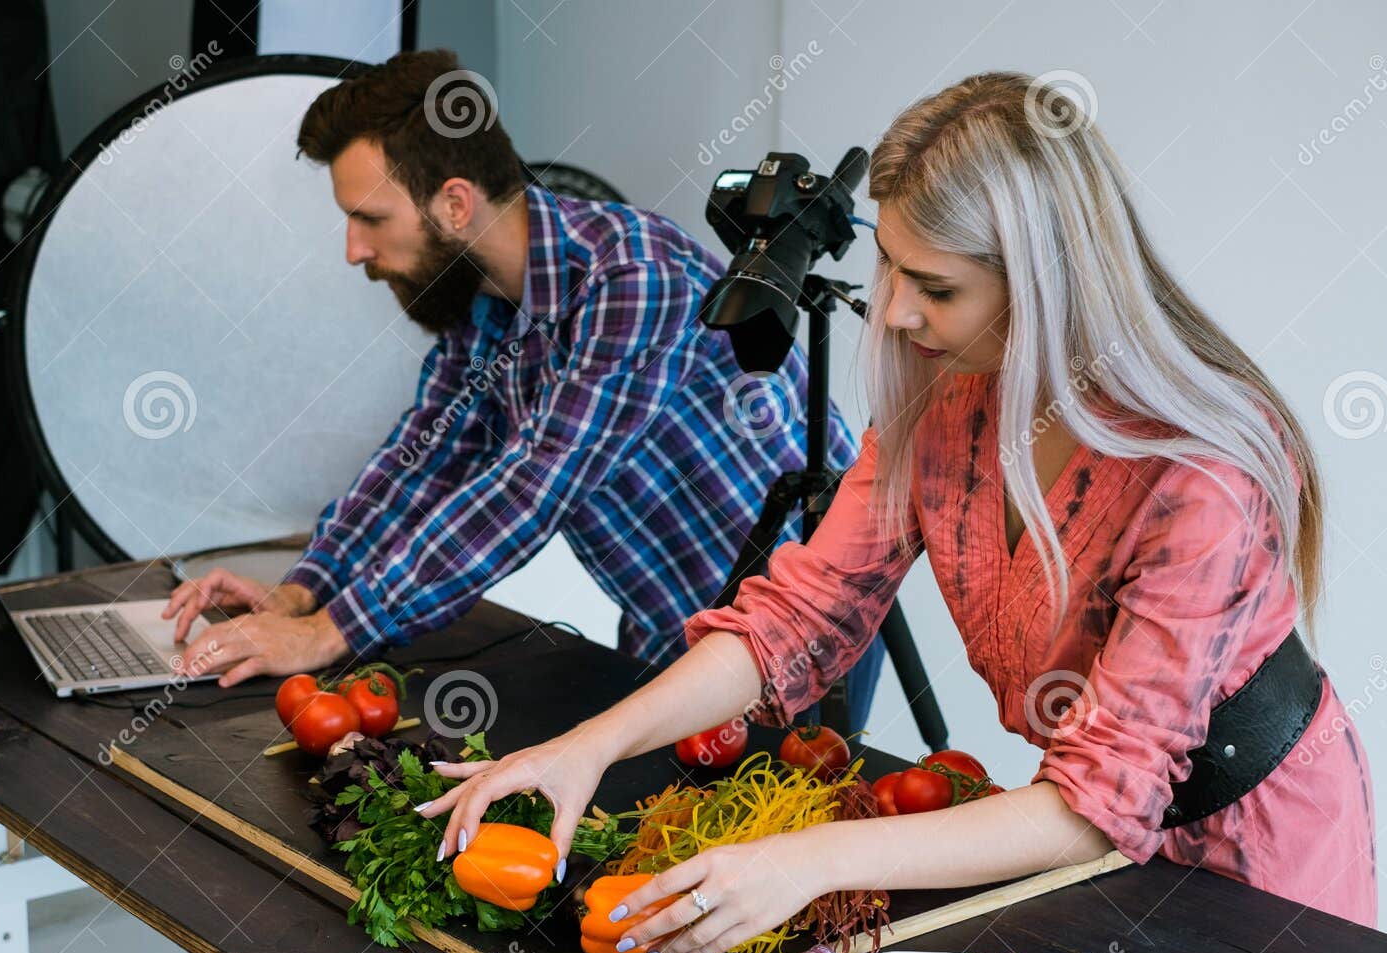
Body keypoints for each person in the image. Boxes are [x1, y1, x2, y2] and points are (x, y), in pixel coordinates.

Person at [417, 71, 1378, 953]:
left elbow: (1095, 805)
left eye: (938, 288)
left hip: (1255, 848)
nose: (897, 313)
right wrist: (586, 745)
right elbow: (798, 618)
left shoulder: (1201, 473)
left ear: (1045, 282)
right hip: (1086, 833)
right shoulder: (944, 398)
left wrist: (808, 859)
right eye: (889, 264)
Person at [163, 49, 886, 726]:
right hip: (666, 631)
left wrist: (329, 633)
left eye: (370, 219)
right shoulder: (486, 309)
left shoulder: (632, 277)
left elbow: (534, 484)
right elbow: (420, 461)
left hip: (792, 640)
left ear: (455, 203)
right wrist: (301, 592)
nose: (355, 250)